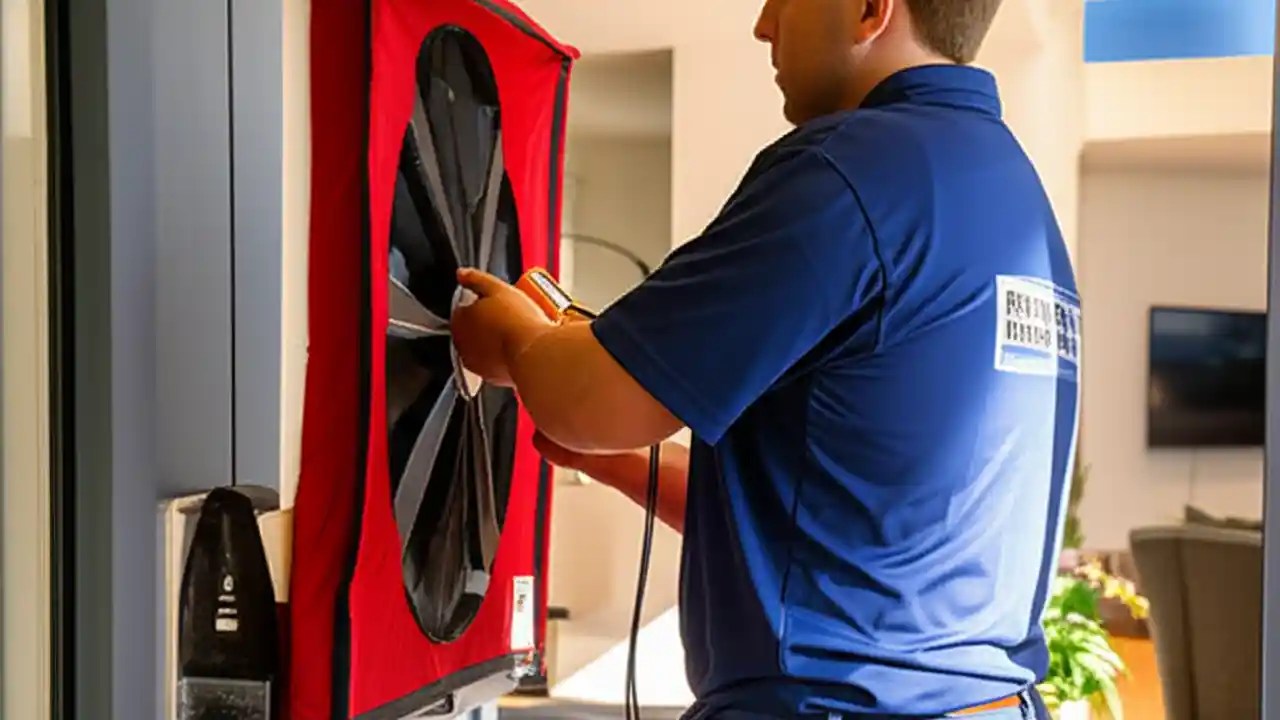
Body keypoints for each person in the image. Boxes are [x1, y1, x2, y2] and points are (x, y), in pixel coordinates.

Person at [450, 0, 1079, 717]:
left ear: (870, 8)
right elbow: (837, 524)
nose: (764, 23)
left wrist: (513, 336)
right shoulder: (1009, 190)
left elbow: (585, 402)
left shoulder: (848, 168)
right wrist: (615, 456)